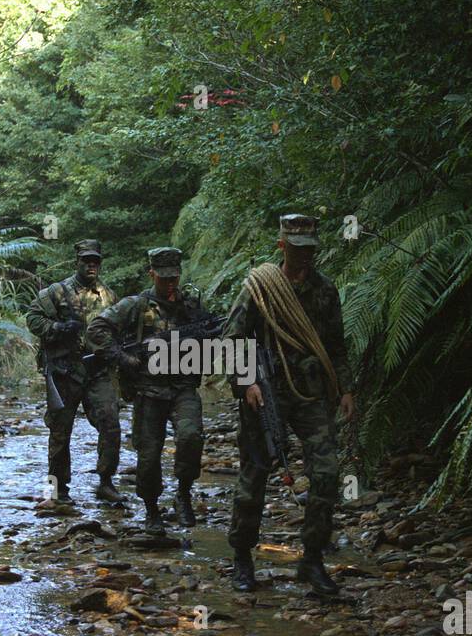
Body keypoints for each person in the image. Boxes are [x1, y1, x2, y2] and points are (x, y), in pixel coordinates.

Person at [222, 214, 354, 595]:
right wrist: (246, 383)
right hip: (266, 390)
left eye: (309, 249)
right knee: (255, 474)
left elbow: (336, 346)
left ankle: (312, 560)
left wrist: (345, 389)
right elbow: (233, 339)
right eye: (297, 249)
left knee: (327, 473)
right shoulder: (261, 287)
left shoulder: (325, 291)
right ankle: (242, 558)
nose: (304, 257)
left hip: (312, 392)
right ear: (282, 246)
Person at [86, 247, 205, 534]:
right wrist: (122, 358)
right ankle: (152, 510)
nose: (170, 283)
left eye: (174, 277)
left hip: (184, 387)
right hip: (149, 391)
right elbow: (97, 329)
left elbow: (211, 334)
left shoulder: (191, 306)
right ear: (152, 274)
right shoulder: (136, 306)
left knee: (190, 437)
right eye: (163, 278)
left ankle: (183, 493)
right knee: (149, 456)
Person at [24, 240, 121, 503]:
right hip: (66, 370)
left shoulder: (108, 295)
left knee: (110, 423)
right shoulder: (57, 292)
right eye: (86, 261)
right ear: (77, 262)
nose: (91, 266)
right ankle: (57, 490)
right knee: (60, 432)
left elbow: (119, 326)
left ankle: (106, 482)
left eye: (95, 261)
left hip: (97, 371)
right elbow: (32, 318)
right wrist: (57, 329)